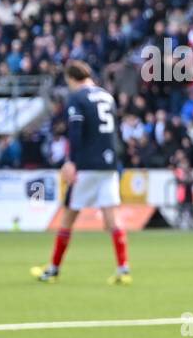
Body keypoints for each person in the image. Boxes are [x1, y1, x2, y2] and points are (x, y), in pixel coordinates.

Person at [32, 60, 131, 284]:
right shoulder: (107, 96)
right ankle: (123, 268)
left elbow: (75, 131)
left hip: (86, 165)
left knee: (68, 217)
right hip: (108, 164)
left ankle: (54, 269)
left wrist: (71, 161)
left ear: (71, 78)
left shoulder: (77, 98)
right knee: (112, 219)